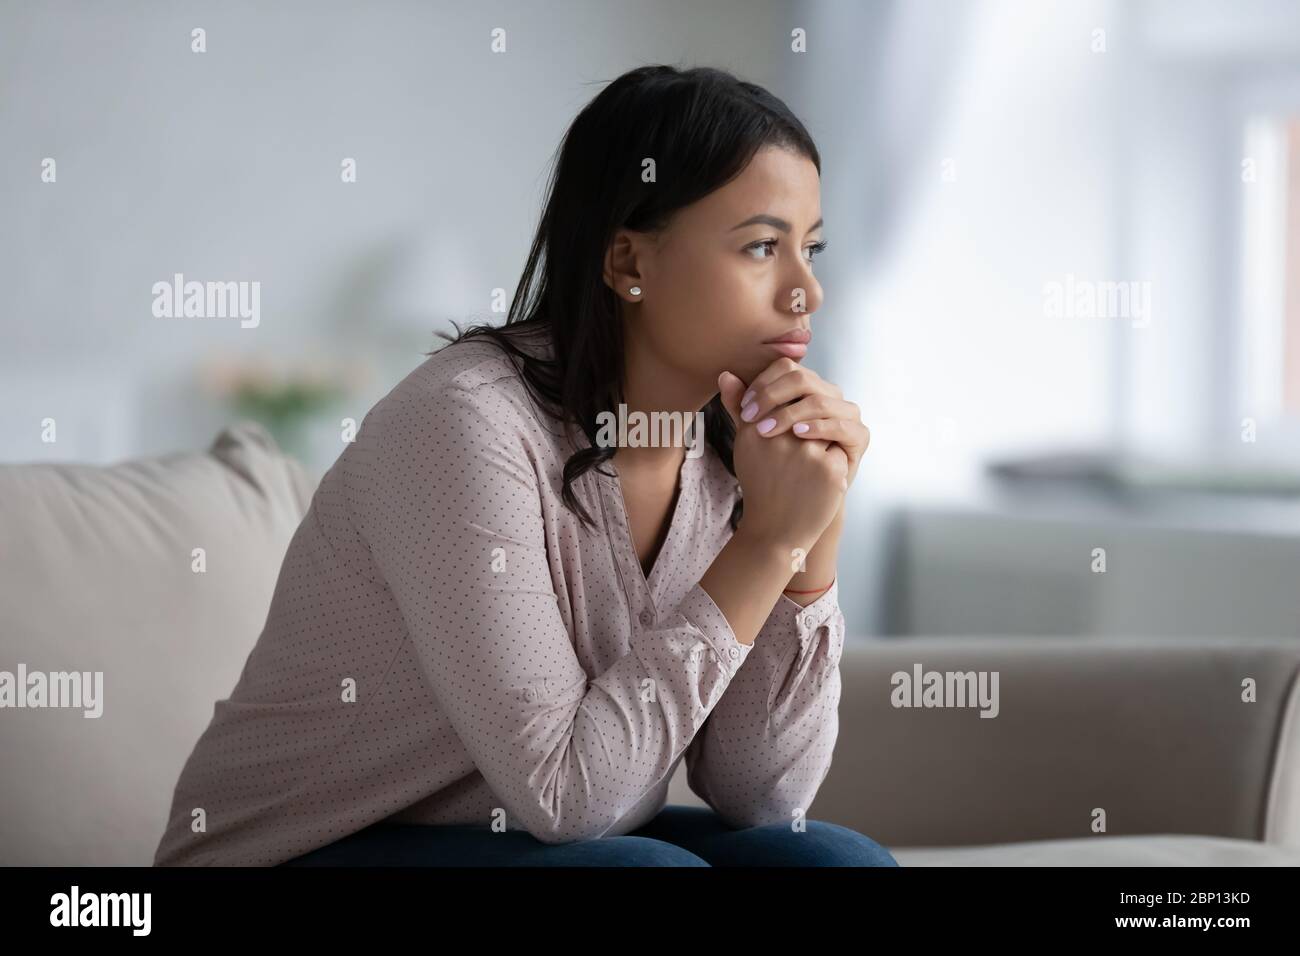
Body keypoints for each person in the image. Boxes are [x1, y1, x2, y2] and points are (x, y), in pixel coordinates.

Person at [154, 64, 896, 867]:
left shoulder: (736, 449)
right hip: (301, 850)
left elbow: (762, 797)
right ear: (628, 264)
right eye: (761, 246)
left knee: (827, 860)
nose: (806, 293)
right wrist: (762, 547)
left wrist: (804, 544)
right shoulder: (463, 423)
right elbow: (568, 794)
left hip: (538, 841)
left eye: (811, 250)